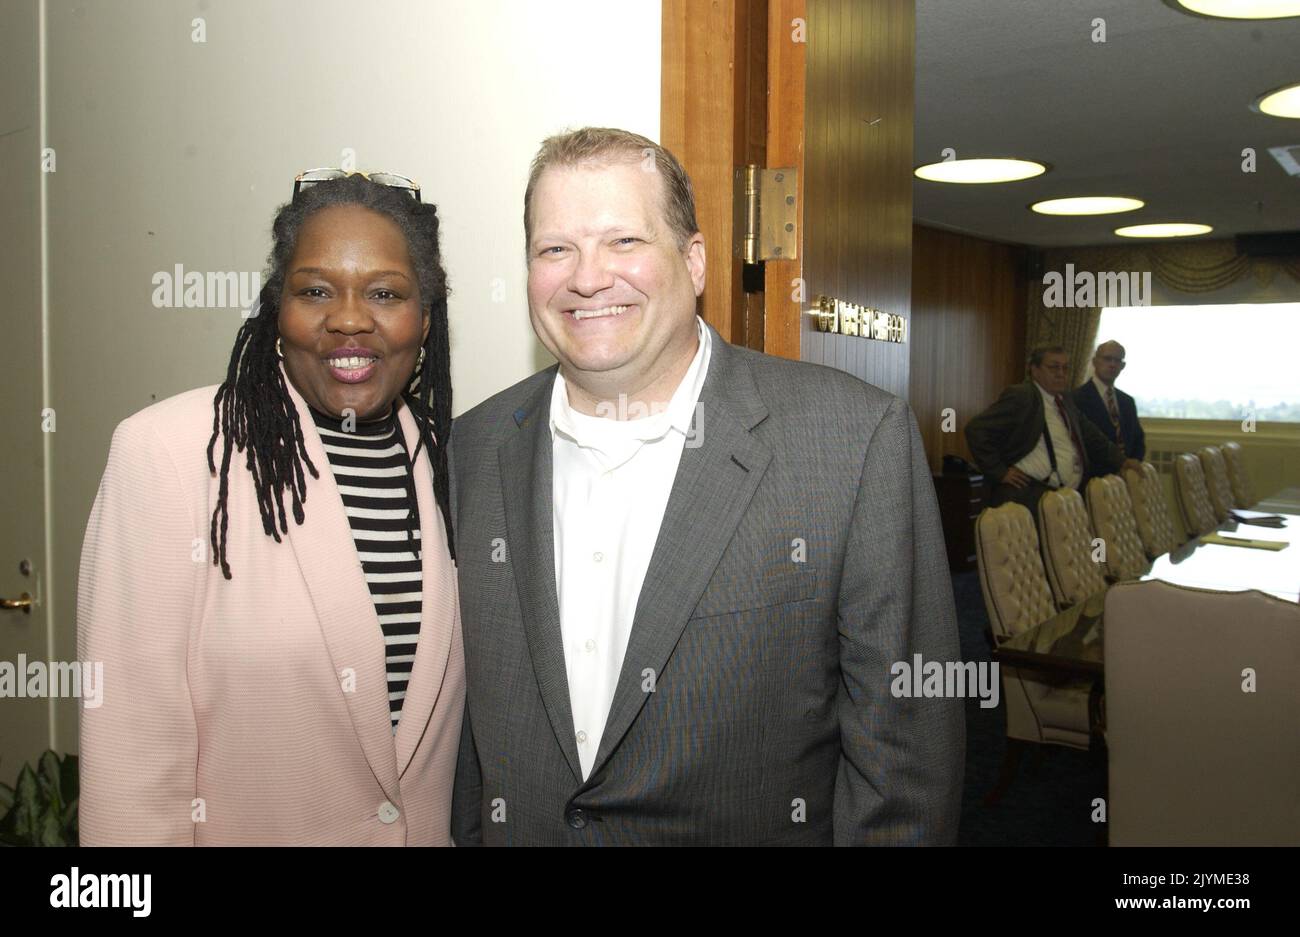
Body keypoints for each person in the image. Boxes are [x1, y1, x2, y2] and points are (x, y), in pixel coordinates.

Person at [448, 127, 963, 845]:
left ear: (693, 261)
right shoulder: (472, 449)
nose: (587, 277)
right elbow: (464, 747)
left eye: (624, 241)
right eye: (554, 248)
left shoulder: (852, 441)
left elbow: (905, 773)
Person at [77, 171, 464, 845]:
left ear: (425, 317)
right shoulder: (168, 456)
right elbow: (130, 767)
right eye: (315, 289)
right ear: (274, 309)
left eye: (385, 293)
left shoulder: (459, 469)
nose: (348, 317)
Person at [964, 344, 1141, 513]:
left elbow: (1092, 436)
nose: (1061, 374)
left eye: (1065, 368)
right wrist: (999, 471)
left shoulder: (1064, 399)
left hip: (1063, 497)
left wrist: (1122, 461)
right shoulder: (1022, 396)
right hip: (1028, 496)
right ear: (1034, 369)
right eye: (1054, 368)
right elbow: (976, 430)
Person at [1073, 340, 1145, 460]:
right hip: (1094, 474)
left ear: (1122, 366)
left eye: (1117, 360)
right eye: (1107, 359)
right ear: (1095, 362)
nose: (1112, 364)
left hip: (1127, 473)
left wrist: (1131, 468)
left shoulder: (1127, 401)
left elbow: (1138, 440)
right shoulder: (1077, 399)